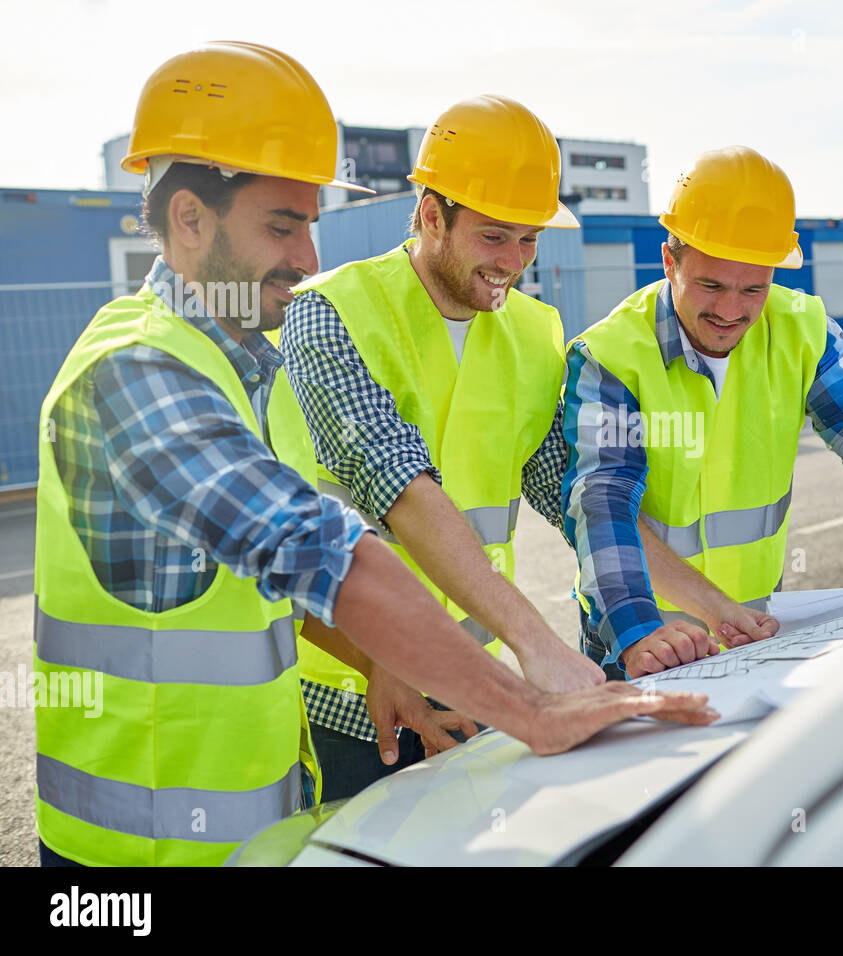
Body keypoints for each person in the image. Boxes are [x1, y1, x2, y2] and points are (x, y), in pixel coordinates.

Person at [33, 42, 714, 868]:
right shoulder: (138, 373)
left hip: (245, 823)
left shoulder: (234, 358)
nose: (307, 260)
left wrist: (379, 657)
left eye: (310, 226)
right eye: (281, 227)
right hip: (133, 853)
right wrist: (527, 706)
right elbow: (325, 551)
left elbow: (257, 579)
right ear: (189, 219)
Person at [278, 95, 609, 800]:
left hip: (468, 684)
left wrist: (657, 611)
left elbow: (570, 493)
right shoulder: (330, 311)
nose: (513, 263)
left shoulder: (535, 330)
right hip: (352, 684)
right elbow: (398, 485)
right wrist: (535, 644)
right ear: (432, 216)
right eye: (495, 237)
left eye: (529, 240)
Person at [562, 146, 843, 680]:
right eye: (710, 285)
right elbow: (602, 496)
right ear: (670, 259)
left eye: (753, 289)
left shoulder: (805, 333)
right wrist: (638, 633)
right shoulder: (612, 355)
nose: (730, 312)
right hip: (637, 641)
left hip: (754, 633)